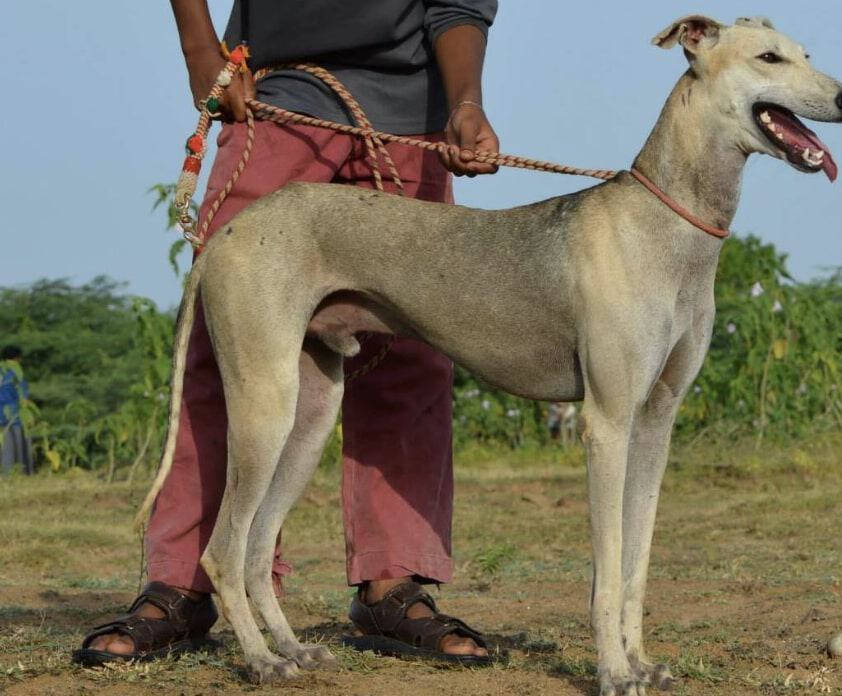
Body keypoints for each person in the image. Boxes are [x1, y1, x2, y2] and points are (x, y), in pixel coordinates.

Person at [75, 0, 501, 667]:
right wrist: (200, 51)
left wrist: (465, 100)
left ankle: (393, 582)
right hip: (276, 96)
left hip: (412, 112)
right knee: (228, 345)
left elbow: (458, 4)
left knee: (412, 353)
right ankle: (185, 582)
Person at [0, 346, 34, 476]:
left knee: (5, 447)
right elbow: (23, 397)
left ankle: (5, 475)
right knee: (19, 448)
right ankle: (20, 474)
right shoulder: (17, 372)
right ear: (18, 358)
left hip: (1, 416)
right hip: (16, 417)